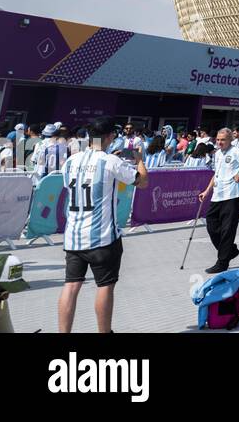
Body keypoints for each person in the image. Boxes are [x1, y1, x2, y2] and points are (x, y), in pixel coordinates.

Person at [57, 120, 148, 333]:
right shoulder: (110, 162)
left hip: (74, 236)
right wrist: (139, 159)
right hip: (102, 236)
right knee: (105, 286)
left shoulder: (71, 161)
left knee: (70, 286)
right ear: (109, 137)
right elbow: (143, 182)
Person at [197, 128, 239, 275]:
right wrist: (207, 190)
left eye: (223, 140)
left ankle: (222, 262)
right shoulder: (217, 154)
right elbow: (216, 174)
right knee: (211, 224)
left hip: (232, 195)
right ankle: (230, 250)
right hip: (217, 195)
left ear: (230, 140)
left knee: (227, 230)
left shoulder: (235, 151)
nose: (219, 142)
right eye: (217, 139)